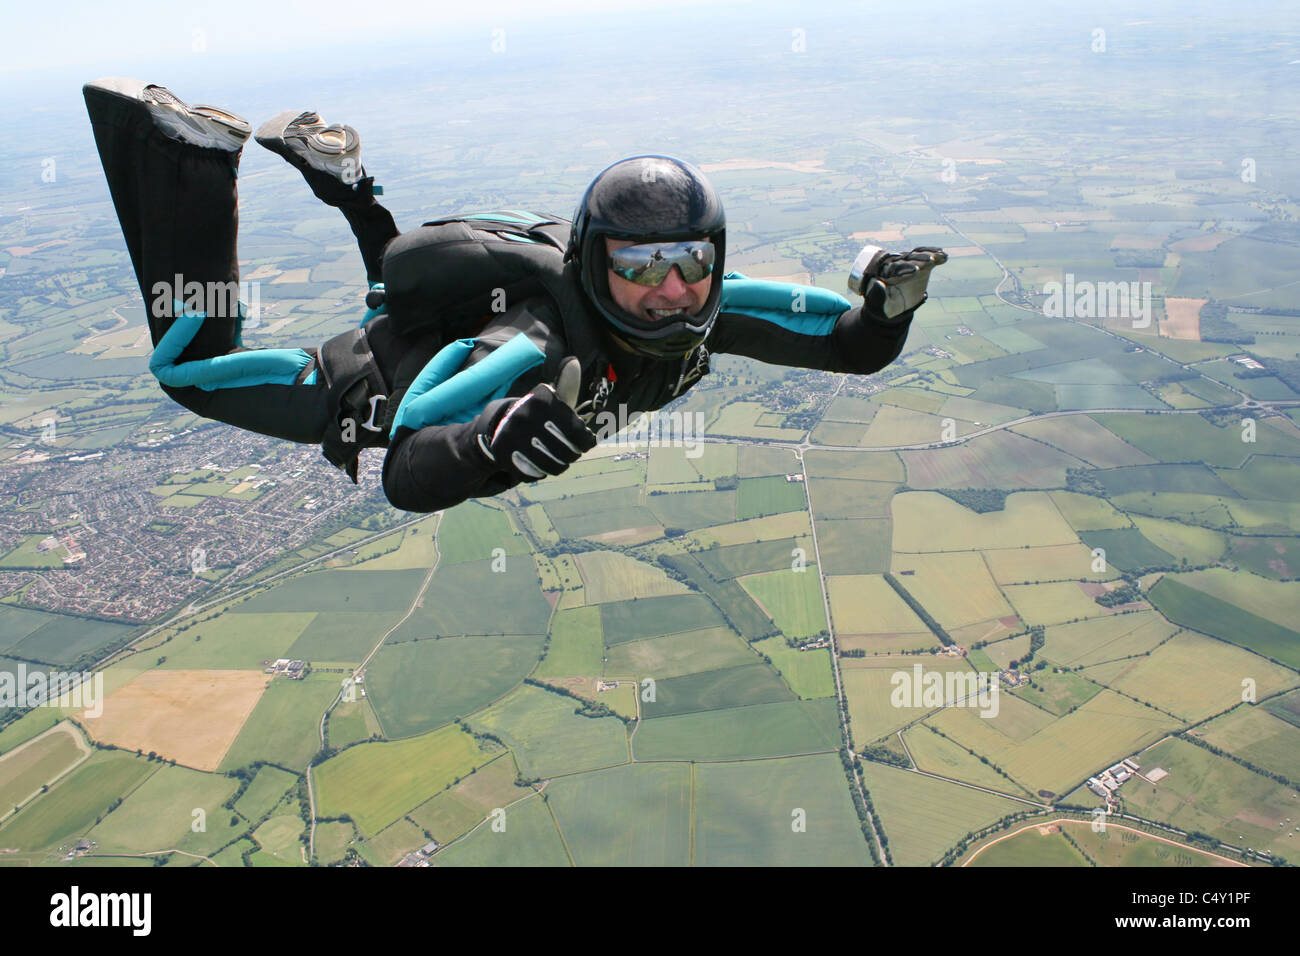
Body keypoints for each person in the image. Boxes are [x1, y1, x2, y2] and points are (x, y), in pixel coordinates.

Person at [83, 78, 947, 515]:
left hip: (435, 317)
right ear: (594, 263)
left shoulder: (707, 311)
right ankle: (182, 156)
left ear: (717, 258)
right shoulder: (532, 346)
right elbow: (407, 461)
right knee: (190, 375)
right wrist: (484, 440)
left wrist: (885, 311)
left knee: (393, 282)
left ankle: (348, 184)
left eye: (690, 262)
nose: (671, 291)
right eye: (640, 268)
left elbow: (843, 346)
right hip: (368, 382)